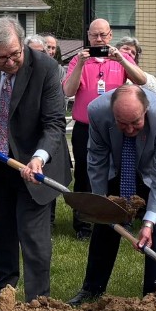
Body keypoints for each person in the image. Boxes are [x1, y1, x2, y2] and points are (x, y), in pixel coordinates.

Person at [70, 84, 156, 303]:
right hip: (117, 165)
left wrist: (148, 223)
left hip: (152, 168)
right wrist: (100, 201)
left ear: (146, 110)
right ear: (113, 113)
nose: (130, 129)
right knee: (105, 225)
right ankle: (92, 289)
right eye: (123, 124)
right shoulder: (97, 111)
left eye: (135, 122)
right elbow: (96, 159)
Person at [0, 16, 68, 301]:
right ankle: (0, 300)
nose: (11, 62)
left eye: (15, 54)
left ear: (22, 44)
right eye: (2, 58)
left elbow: (54, 123)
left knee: (34, 239)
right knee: (2, 236)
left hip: (35, 165)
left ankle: (37, 304)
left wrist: (39, 158)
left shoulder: (46, 68)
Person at [64, 18, 130, 239]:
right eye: (94, 35)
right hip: (85, 127)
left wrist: (121, 59)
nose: (99, 39)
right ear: (88, 36)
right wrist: (81, 65)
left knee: (115, 173)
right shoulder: (78, 60)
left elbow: (140, 80)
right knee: (84, 174)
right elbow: (68, 91)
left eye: (103, 35)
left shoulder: (120, 57)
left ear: (110, 35)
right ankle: (83, 224)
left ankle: (114, 219)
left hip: (115, 127)